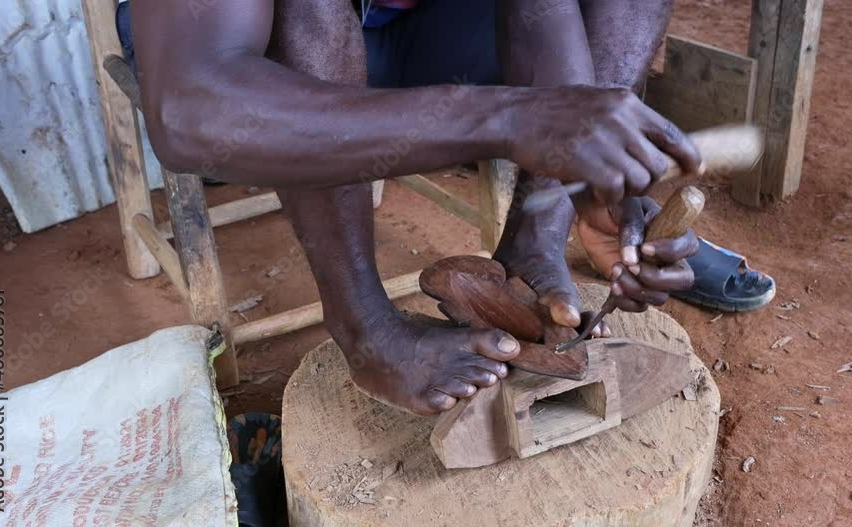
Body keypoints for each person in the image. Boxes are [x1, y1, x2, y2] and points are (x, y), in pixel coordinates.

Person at [119, 0, 774, 416]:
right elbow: (192, 107)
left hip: (426, 28)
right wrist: (509, 115)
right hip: (239, 53)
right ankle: (363, 323)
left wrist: (574, 185)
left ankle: (535, 244)